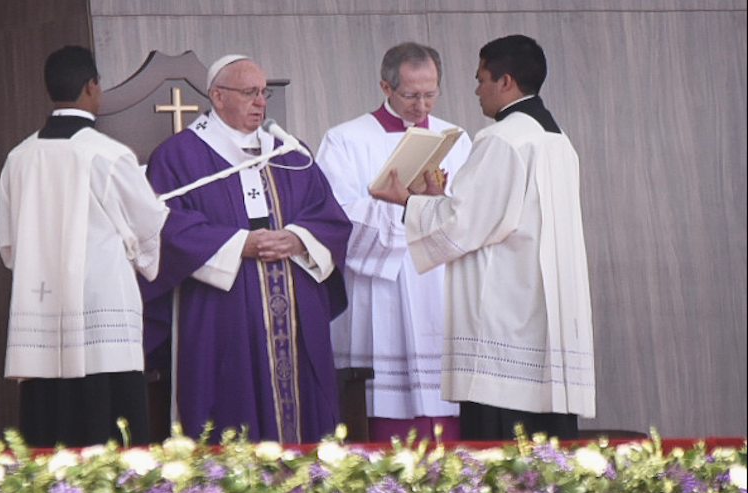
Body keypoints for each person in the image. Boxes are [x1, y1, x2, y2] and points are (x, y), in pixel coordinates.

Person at [371, 34, 595, 440]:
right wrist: (439, 201)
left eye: (481, 79)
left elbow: (463, 225)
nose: (476, 91)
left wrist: (409, 202)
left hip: (502, 326)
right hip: (545, 320)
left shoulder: (502, 139)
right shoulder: (558, 141)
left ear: (505, 81)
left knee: (500, 449)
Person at [141, 54, 353, 444]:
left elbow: (330, 218)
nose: (260, 102)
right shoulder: (178, 156)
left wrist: (298, 238)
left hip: (293, 307)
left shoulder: (290, 152)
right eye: (250, 92)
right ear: (218, 97)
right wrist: (240, 244)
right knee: (228, 408)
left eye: (264, 92)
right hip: (221, 314)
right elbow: (163, 228)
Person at [0, 45, 168, 447]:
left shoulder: (18, 157)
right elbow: (147, 224)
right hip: (101, 304)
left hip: (40, 309)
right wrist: (144, 248)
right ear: (93, 86)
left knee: (49, 424)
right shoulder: (108, 154)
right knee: (110, 423)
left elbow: (8, 244)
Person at [315, 42, 473, 443]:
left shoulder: (455, 139)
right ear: (385, 87)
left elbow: (472, 214)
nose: (422, 106)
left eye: (430, 94)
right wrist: (406, 209)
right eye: (411, 95)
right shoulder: (346, 140)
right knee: (383, 415)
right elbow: (337, 217)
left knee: (445, 417)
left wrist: (433, 205)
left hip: (437, 286)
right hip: (379, 288)